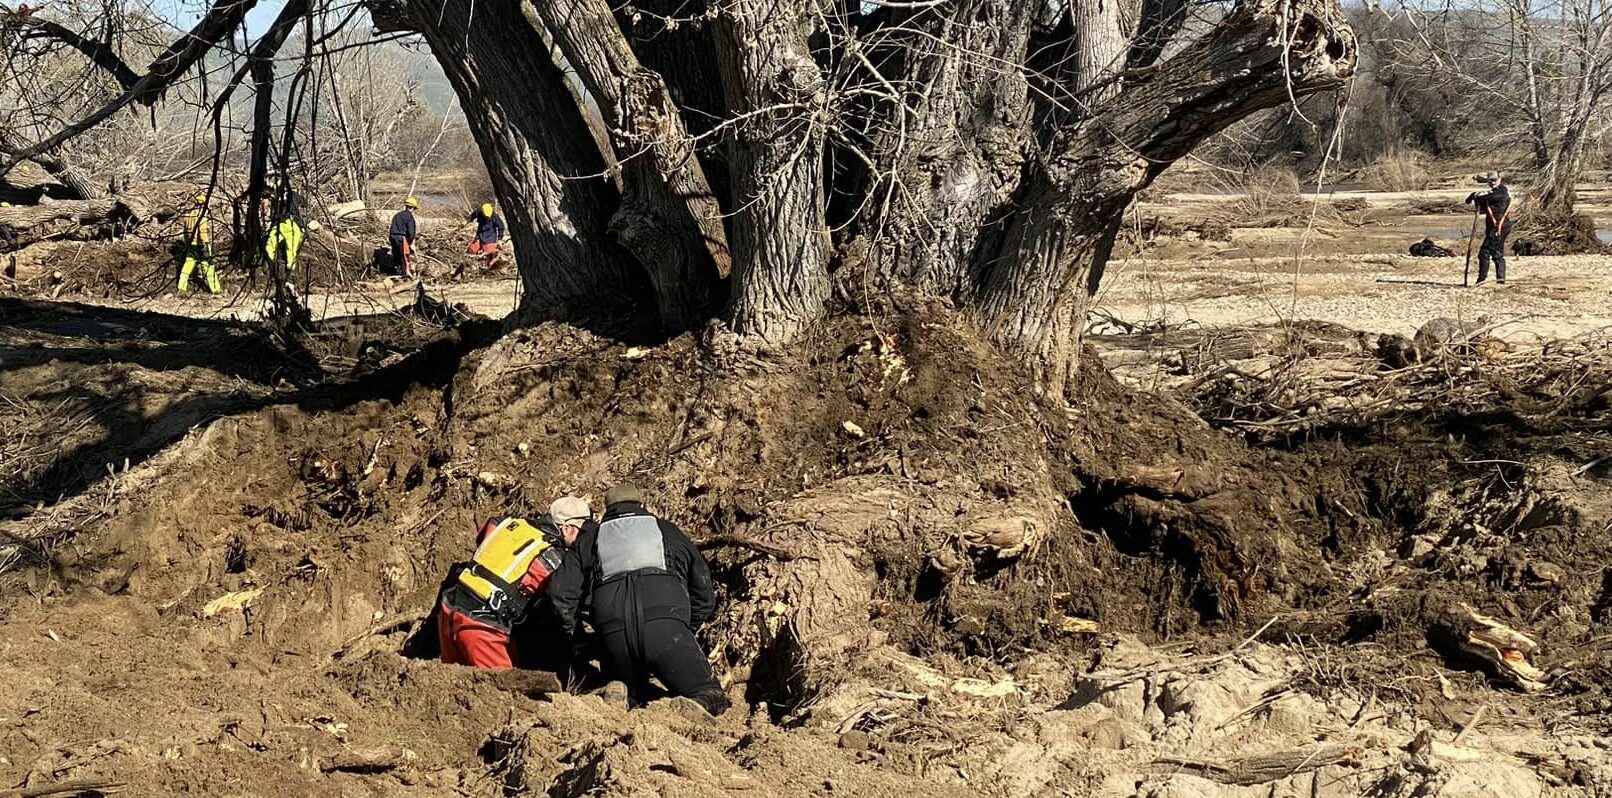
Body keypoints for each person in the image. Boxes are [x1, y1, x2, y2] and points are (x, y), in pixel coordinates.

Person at [550, 483, 729, 716]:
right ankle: (694, 705)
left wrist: (578, 637)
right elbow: (703, 592)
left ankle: (625, 694)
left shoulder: (590, 538)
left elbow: (559, 593)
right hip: (665, 626)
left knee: (632, 694)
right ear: (641, 504)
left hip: (614, 635)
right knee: (709, 694)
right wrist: (683, 627)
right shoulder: (666, 530)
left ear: (606, 510)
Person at [437, 513, 572, 669]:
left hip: (449, 609)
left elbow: (484, 536)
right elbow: (550, 595)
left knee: (452, 684)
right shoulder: (551, 554)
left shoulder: (511, 523)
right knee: (502, 689)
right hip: (483, 627)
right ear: (567, 529)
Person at [1465, 171, 1512, 285]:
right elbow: (1482, 199)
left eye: (1495, 180)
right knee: (1490, 253)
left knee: (1489, 252)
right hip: (1492, 226)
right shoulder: (1494, 191)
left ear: (1500, 179)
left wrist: (1475, 195)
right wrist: (1474, 196)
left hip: (1500, 226)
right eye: (1490, 180)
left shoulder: (1502, 192)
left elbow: (1488, 198)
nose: (1492, 182)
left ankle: (1488, 280)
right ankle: (1493, 279)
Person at [178, 193, 221, 294]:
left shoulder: (188, 215)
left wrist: (187, 243)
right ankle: (215, 288)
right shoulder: (202, 215)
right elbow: (202, 231)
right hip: (201, 244)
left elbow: (185, 231)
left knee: (187, 265)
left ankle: (181, 287)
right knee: (208, 266)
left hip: (190, 244)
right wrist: (205, 244)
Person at [264, 186, 305, 274]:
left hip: (284, 224)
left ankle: (270, 263)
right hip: (287, 224)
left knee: (272, 244)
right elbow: (304, 202)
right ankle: (289, 269)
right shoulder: (291, 195)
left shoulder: (277, 197)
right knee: (290, 247)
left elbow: (272, 214)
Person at [467, 202, 506, 270]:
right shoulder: (479, 212)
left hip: (490, 238)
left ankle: (491, 268)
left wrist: (500, 239)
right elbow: (473, 216)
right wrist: (467, 221)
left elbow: (501, 227)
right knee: (471, 250)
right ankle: (470, 265)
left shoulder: (494, 217)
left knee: (490, 255)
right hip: (480, 235)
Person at [389, 197, 420, 279]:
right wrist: (410, 243)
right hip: (401, 238)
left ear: (406, 206)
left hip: (392, 236)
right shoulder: (410, 217)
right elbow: (411, 233)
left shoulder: (397, 215)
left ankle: (397, 270)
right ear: (413, 208)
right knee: (405, 256)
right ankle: (406, 274)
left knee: (397, 255)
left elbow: (392, 227)